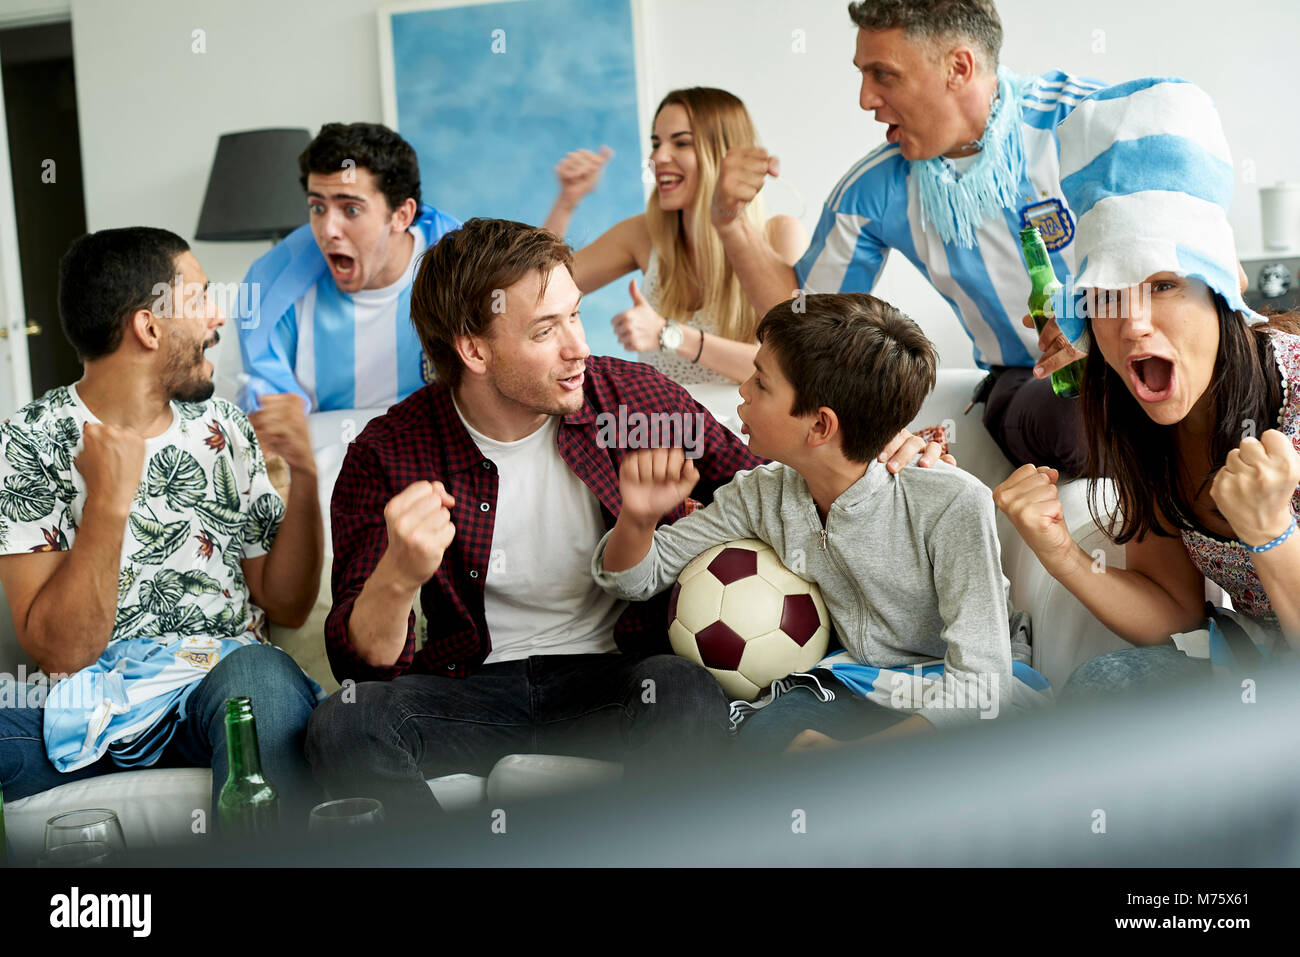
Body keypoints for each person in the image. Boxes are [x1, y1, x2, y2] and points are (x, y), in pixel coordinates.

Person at [304, 219, 946, 819]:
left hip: (617, 679)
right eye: (546, 330)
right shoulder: (388, 452)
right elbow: (361, 666)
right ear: (473, 348)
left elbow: (776, 482)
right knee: (345, 723)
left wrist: (874, 452)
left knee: (685, 691)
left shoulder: (631, 401)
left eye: (575, 315)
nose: (580, 347)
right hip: (469, 691)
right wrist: (398, 576)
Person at [592, 292, 1038, 758]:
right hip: (857, 680)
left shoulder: (952, 503)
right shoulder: (761, 494)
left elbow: (982, 687)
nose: (742, 391)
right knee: (763, 743)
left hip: (969, 687)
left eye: (761, 383)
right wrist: (637, 522)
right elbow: (636, 580)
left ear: (820, 427)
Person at [0, 227, 324, 822]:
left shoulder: (222, 426)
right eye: (200, 298)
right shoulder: (28, 440)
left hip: (222, 691)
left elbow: (287, 605)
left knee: (259, 682)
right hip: (92, 711)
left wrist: (304, 478)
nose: (218, 316)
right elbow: (62, 654)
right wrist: (107, 505)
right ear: (149, 328)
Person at [992, 78, 1300, 696]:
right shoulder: (1143, 416)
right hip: (1266, 668)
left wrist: (1273, 534)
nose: (1131, 323)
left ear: (1219, 299)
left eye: (1162, 285)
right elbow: (1176, 612)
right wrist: (1060, 554)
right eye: (1106, 295)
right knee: (1106, 685)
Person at [709, 0, 1109, 476]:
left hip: (1130, 351)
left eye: (883, 74)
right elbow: (802, 320)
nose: (865, 99)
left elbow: (1186, 254)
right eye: (862, 74)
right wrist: (730, 220)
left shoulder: (1088, 118)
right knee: (1078, 424)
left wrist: (1103, 324)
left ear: (958, 67)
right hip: (1027, 380)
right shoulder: (872, 191)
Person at [543, 88, 807, 385]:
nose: (658, 157)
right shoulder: (643, 234)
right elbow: (540, 284)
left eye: (681, 143)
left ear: (725, 154)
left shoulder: (779, 234)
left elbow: (795, 366)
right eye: (656, 144)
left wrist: (669, 334)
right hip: (663, 429)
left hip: (744, 432)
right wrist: (567, 202)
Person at [237, 122, 461, 413]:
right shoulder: (270, 288)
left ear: (401, 215)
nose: (328, 230)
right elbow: (267, 410)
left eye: (351, 210)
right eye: (317, 207)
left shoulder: (460, 274)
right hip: (320, 457)